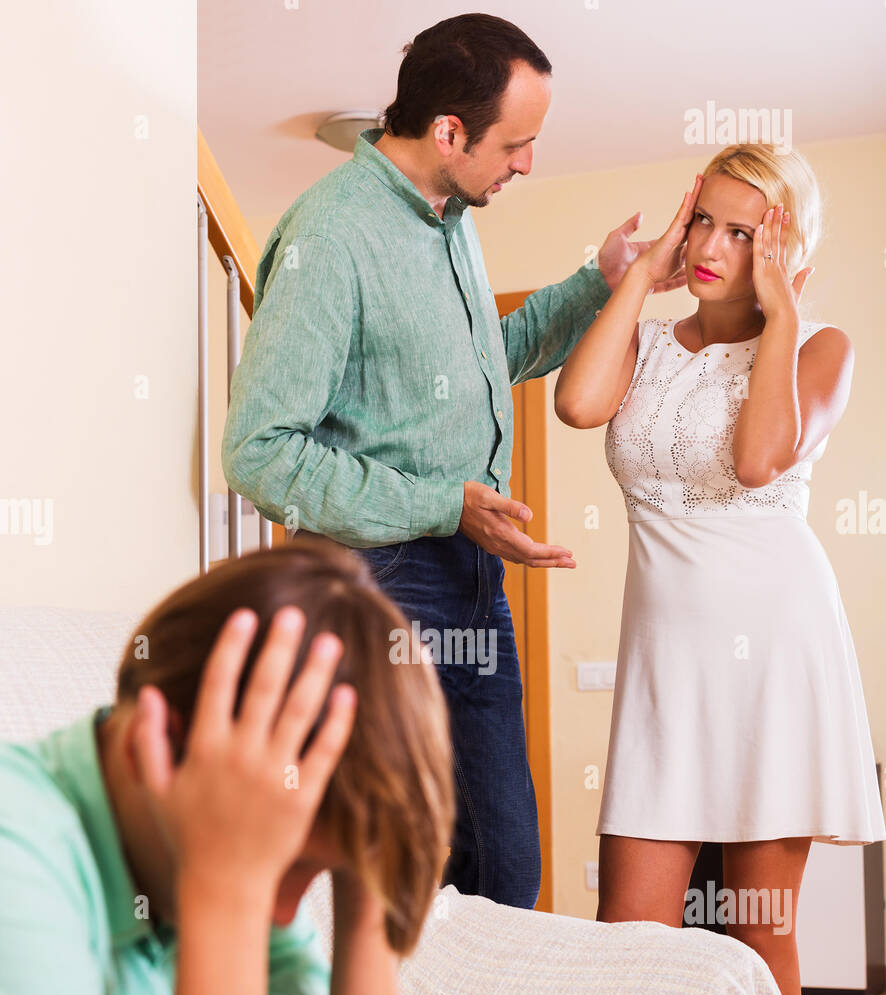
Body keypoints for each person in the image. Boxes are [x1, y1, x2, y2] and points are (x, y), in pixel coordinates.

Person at [0, 537, 579, 995]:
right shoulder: (20, 850)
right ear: (156, 742)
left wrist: (369, 890)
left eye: (317, 874)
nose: (282, 914)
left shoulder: (241, 864)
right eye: (282, 868)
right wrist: (227, 892)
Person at [221, 14, 685, 909]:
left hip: (468, 576)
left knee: (504, 870)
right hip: (376, 583)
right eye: (515, 144)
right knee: (381, 874)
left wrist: (600, 282)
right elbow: (259, 452)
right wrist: (444, 505)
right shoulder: (332, 236)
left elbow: (483, 365)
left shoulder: (451, 219)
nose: (528, 164)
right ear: (447, 132)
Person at [554, 143, 886, 995]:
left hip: (774, 655)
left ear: (783, 251)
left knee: (756, 932)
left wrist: (781, 317)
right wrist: (640, 277)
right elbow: (577, 405)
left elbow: (758, 458)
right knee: (628, 936)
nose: (710, 245)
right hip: (664, 669)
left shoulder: (820, 348)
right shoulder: (651, 343)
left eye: (743, 233)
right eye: (703, 220)